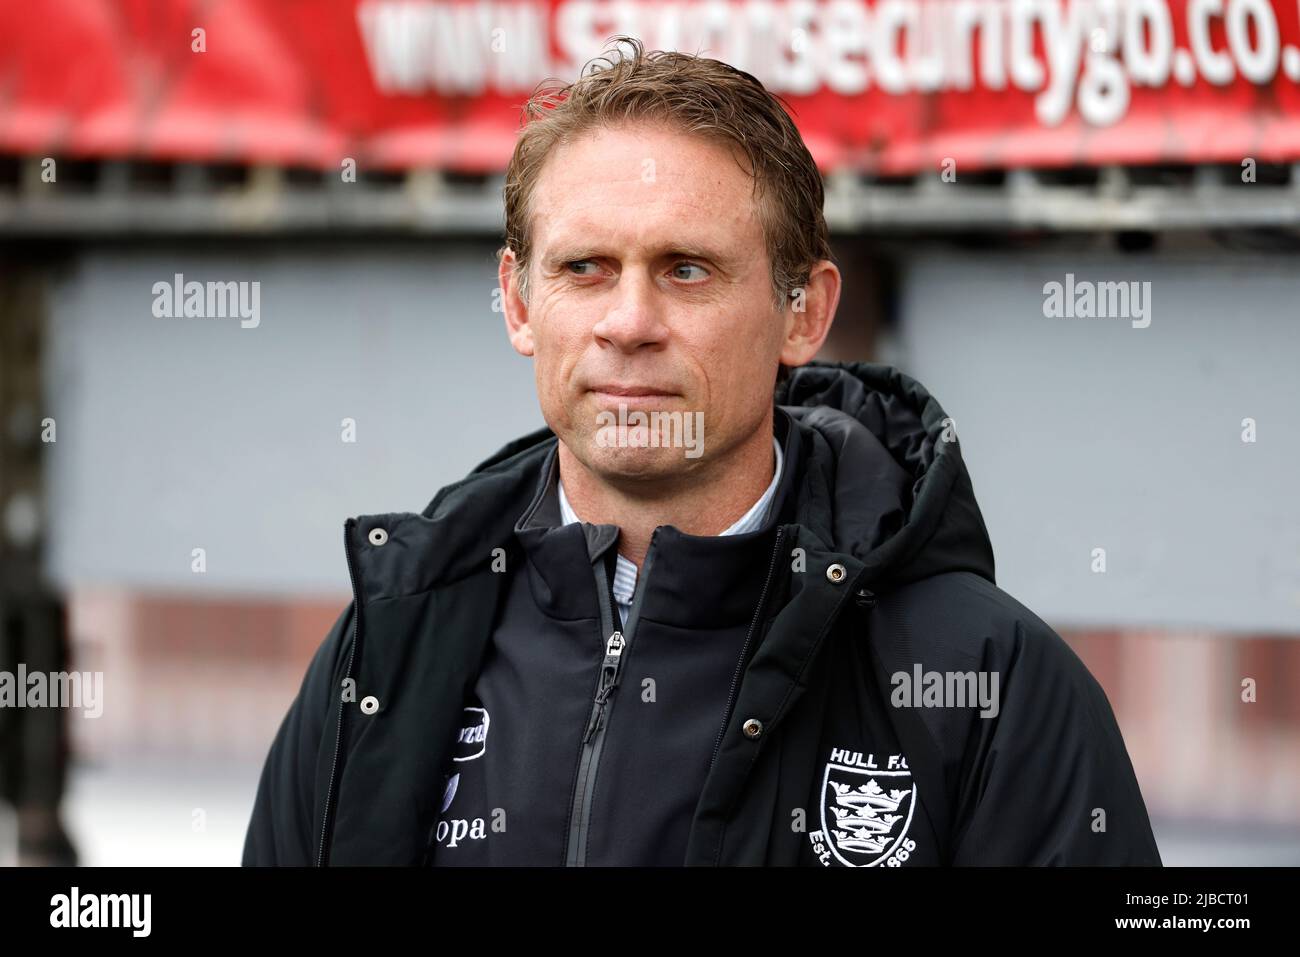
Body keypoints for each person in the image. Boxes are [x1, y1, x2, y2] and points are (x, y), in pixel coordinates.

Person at [242, 36, 1161, 867]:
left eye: (687, 270)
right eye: (584, 269)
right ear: (519, 305)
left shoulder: (988, 681)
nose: (630, 323)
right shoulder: (393, 645)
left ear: (804, 310)